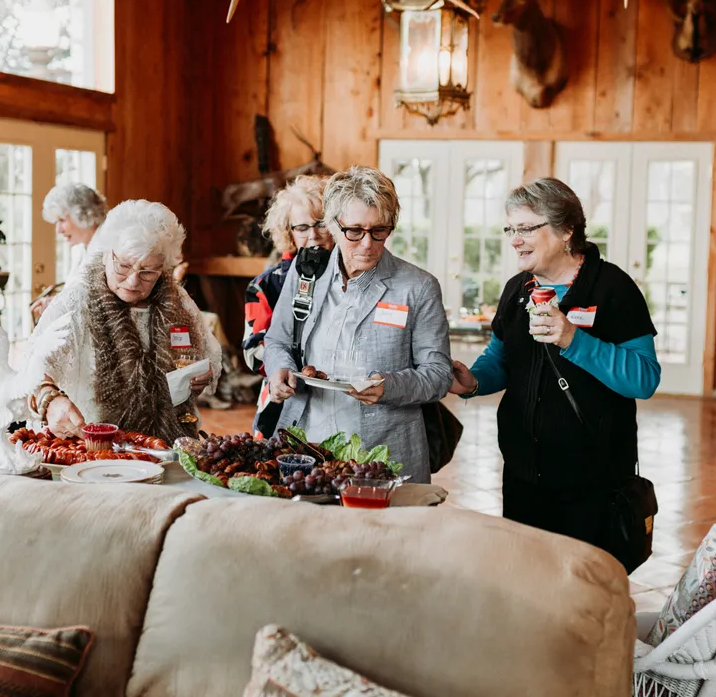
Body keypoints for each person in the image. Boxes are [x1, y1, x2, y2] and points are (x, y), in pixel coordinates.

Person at [449, 177, 661, 550]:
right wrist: (473, 381)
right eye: (511, 228)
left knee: (586, 589)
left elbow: (643, 379)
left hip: (594, 480)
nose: (515, 239)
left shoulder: (613, 288)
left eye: (527, 228)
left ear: (566, 230)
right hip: (523, 474)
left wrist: (572, 340)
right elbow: (500, 357)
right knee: (528, 582)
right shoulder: (518, 289)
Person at [263, 167, 453, 483]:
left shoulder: (417, 287)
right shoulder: (307, 270)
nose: (367, 243)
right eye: (354, 231)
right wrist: (279, 368)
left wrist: (389, 385)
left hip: (383, 452)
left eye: (379, 230)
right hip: (308, 445)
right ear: (334, 226)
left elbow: (438, 375)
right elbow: (278, 339)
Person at [26, 199, 223, 443]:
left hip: (167, 448)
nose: (132, 282)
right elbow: (31, 366)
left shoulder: (178, 301)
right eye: (124, 266)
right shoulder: (77, 301)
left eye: (148, 272)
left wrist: (202, 376)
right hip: (94, 448)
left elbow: (206, 358)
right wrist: (50, 399)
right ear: (107, 254)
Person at [242, 175, 334, 435]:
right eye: (302, 227)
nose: (313, 235)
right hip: (283, 399)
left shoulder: (351, 278)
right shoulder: (266, 284)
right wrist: (287, 367)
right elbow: (253, 350)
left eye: (322, 224)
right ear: (289, 233)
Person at [30, 183, 108, 320]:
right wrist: (54, 303)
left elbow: (100, 304)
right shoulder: (81, 248)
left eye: (62, 220)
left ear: (84, 214)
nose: (58, 229)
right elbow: (79, 295)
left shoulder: (107, 249)